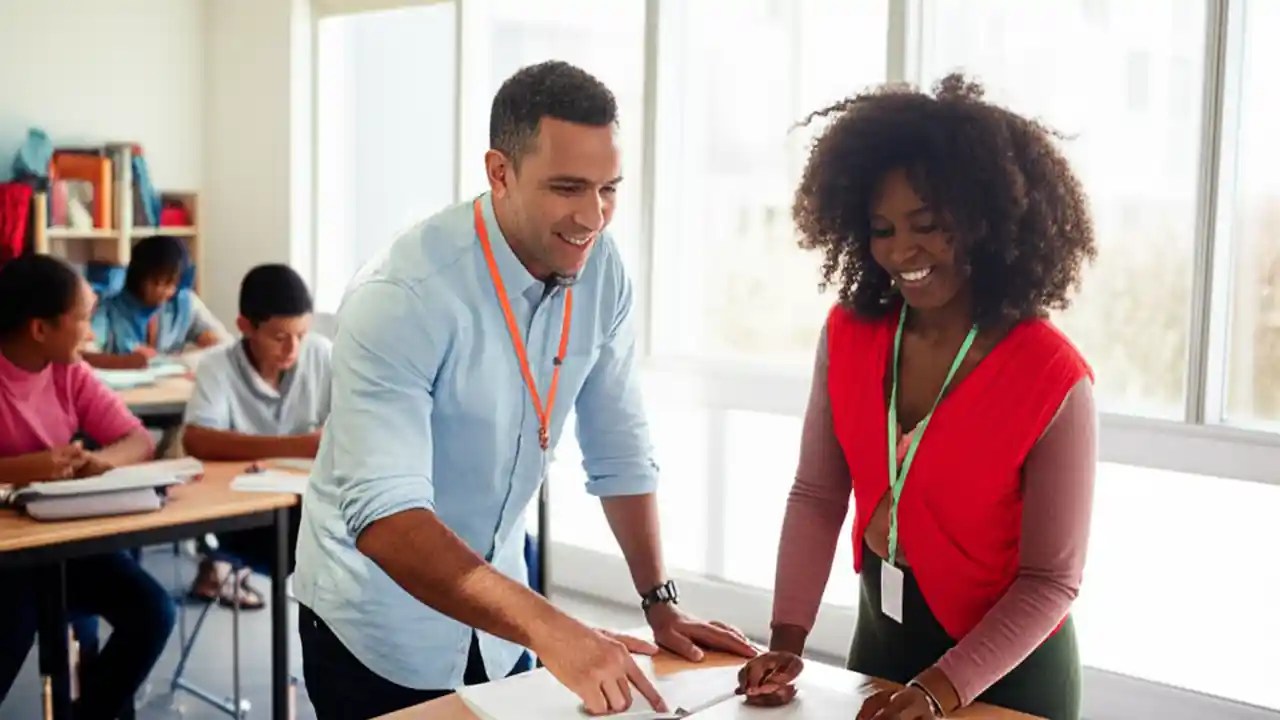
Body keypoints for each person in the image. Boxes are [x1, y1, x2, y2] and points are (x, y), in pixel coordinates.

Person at [293, 60, 757, 719]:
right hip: (378, 624)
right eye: (567, 188)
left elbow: (619, 445)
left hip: (500, 613)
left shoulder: (602, 269)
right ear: (499, 173)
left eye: (609, 189)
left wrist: (659, 600)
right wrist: (551, 626)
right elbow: (387, 521)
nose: (592, 216)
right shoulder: (404, 295)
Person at [735, 74, 1098, 720]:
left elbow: (1051, 581)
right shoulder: (849, 335)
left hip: (1008, 675)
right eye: (881, 229)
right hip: (884, 643)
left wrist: (939, 688)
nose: (902, 250)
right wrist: (786, 640)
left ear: (983, 222)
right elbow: (818, 495)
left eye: (927, 225)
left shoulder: (1052, 376)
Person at [0, 254, 176, 719]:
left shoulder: (69, 371)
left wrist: (103, 461)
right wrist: (20, 468)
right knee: (13, 625)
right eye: (82, 319)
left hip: (65, 540)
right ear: (41, 329)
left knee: (153, 612)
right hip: (8, 556)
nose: (91, 332)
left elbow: (137, 439)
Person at [181, 263, 331, 609]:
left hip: (307, 509)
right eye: (279, 337)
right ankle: (223, 566)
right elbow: (198, 440)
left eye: (301, 334)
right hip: (243, 515)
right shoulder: (217, 365)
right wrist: (298, 446)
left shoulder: (320, 354)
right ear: (245, 327)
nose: (293, 348)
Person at [83, 234, 228, 370]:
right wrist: (128, 361)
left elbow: (225, 346)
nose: (165, 291)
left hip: (171, 389)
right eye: (156, 282)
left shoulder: (184, 302)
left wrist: (177, 360)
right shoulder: (108, 308)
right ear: (139, 277)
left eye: (171, 283)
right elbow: (85, 354)